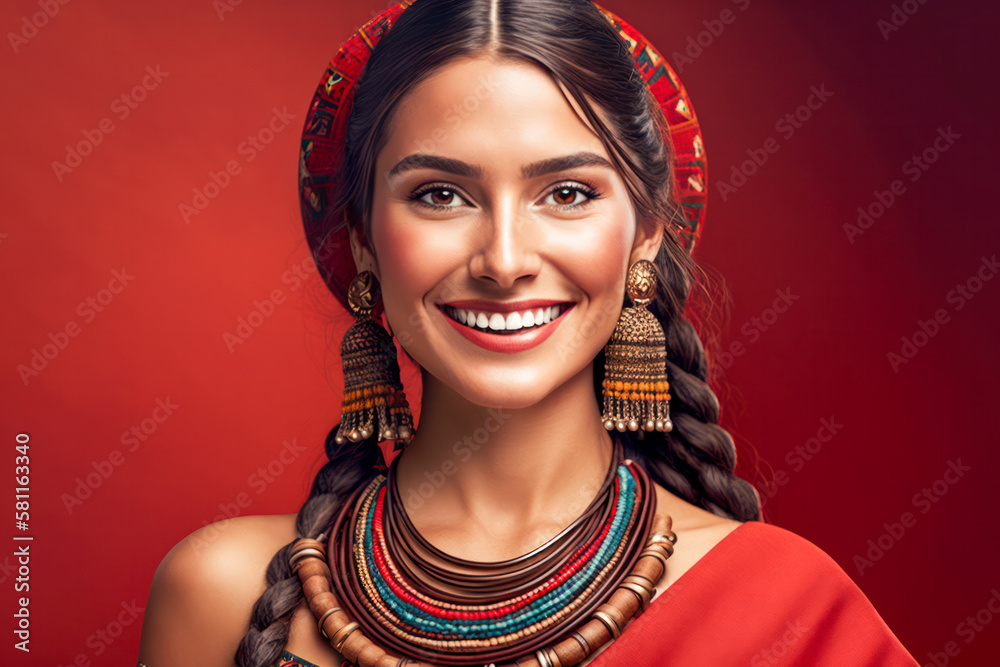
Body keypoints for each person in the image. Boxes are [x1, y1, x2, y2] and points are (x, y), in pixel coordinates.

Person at [137, 1, 920, 665]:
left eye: (568, 192)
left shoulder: (783, 609)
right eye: (441, 194)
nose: (504, 260)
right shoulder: (221, 593)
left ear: (647, 230)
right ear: (365, 239)